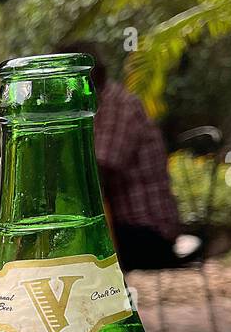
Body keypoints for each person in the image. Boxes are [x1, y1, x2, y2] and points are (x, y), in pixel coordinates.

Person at [65, 42, 181, 271]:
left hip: (147, 231)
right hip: (125, 227)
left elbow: (98, 173)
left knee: (72, 251)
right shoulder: (97, 105)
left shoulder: (117, 105)